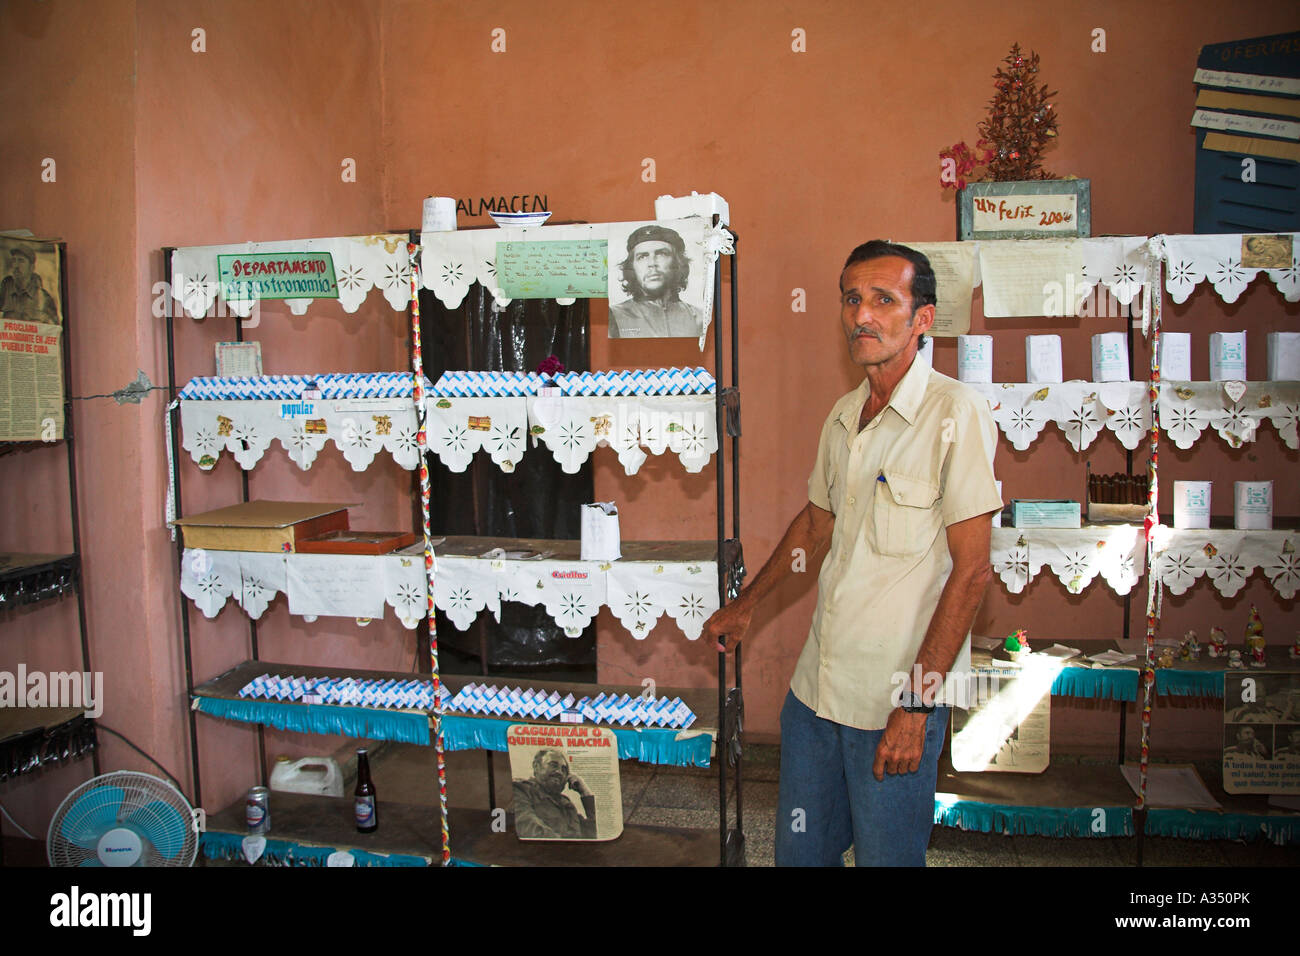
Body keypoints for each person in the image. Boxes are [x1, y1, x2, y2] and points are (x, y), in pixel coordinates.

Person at [702, 240, 1001, 867]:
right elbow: (815, 525)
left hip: (892, 700)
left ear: (922, 319)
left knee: (888, 858)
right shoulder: (843, 416)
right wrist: (747, 604)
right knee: (799, 854)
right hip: (816, 692)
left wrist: (916, 707)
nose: (861, 315)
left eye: (883, 300)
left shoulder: (956, 414)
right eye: (852, 299)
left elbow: (971, 571)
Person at [608, 224, 701, 338]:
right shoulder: (614, 316)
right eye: (642, 256)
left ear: (677, 263)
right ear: (632, 267)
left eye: (661, 254)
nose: (652, 263)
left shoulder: (699, 317)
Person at [512, 748, 597, 839]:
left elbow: (592, 834)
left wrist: (585, 793)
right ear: (536, 766)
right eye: (553, 765)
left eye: (564, 769)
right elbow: (528, 825)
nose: (559, 772)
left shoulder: (566, 804)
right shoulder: (520, 790)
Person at [0, 246, 58, 323]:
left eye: (21, 261)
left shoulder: (43, 297)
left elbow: (54, 330)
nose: (16, 266)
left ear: (32, 267)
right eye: (14, 260)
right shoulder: (3, 292)